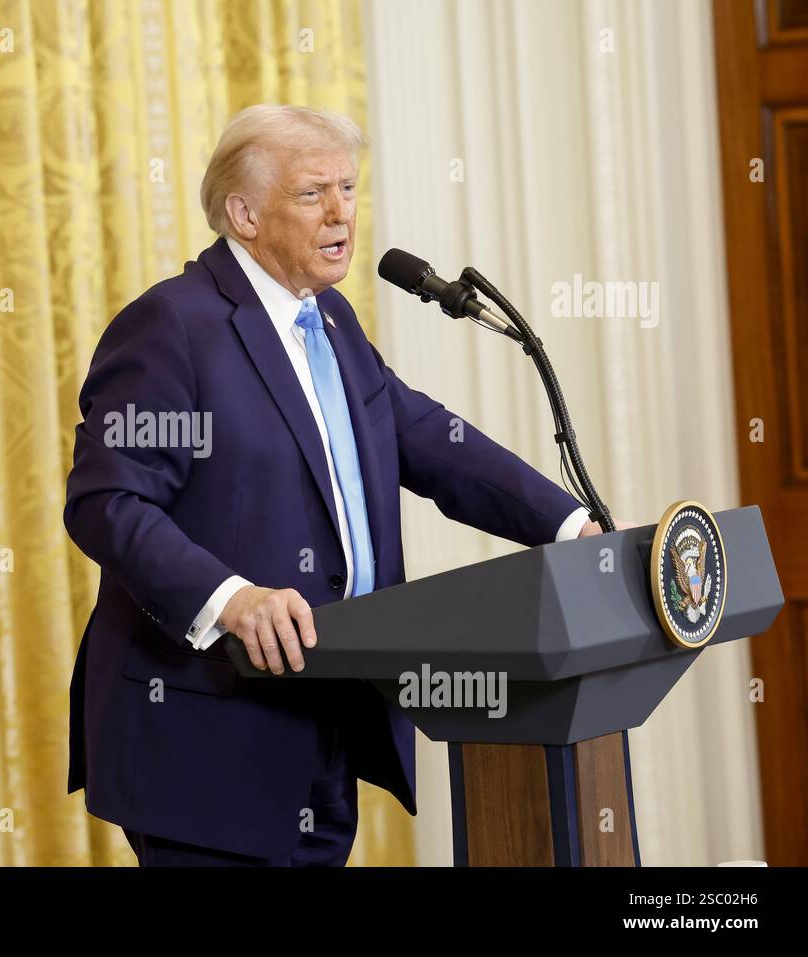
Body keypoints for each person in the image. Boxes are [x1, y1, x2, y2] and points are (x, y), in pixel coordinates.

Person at [63, 105, 597, 866]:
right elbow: (106, 502)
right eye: (314, 193)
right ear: (243, 214)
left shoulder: (333, 321)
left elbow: (428, 440)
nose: (343, 211)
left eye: (348, 187)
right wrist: (232, 598)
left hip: (325, 720)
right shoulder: (173, 327)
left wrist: (570, 526)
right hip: (205, 737)